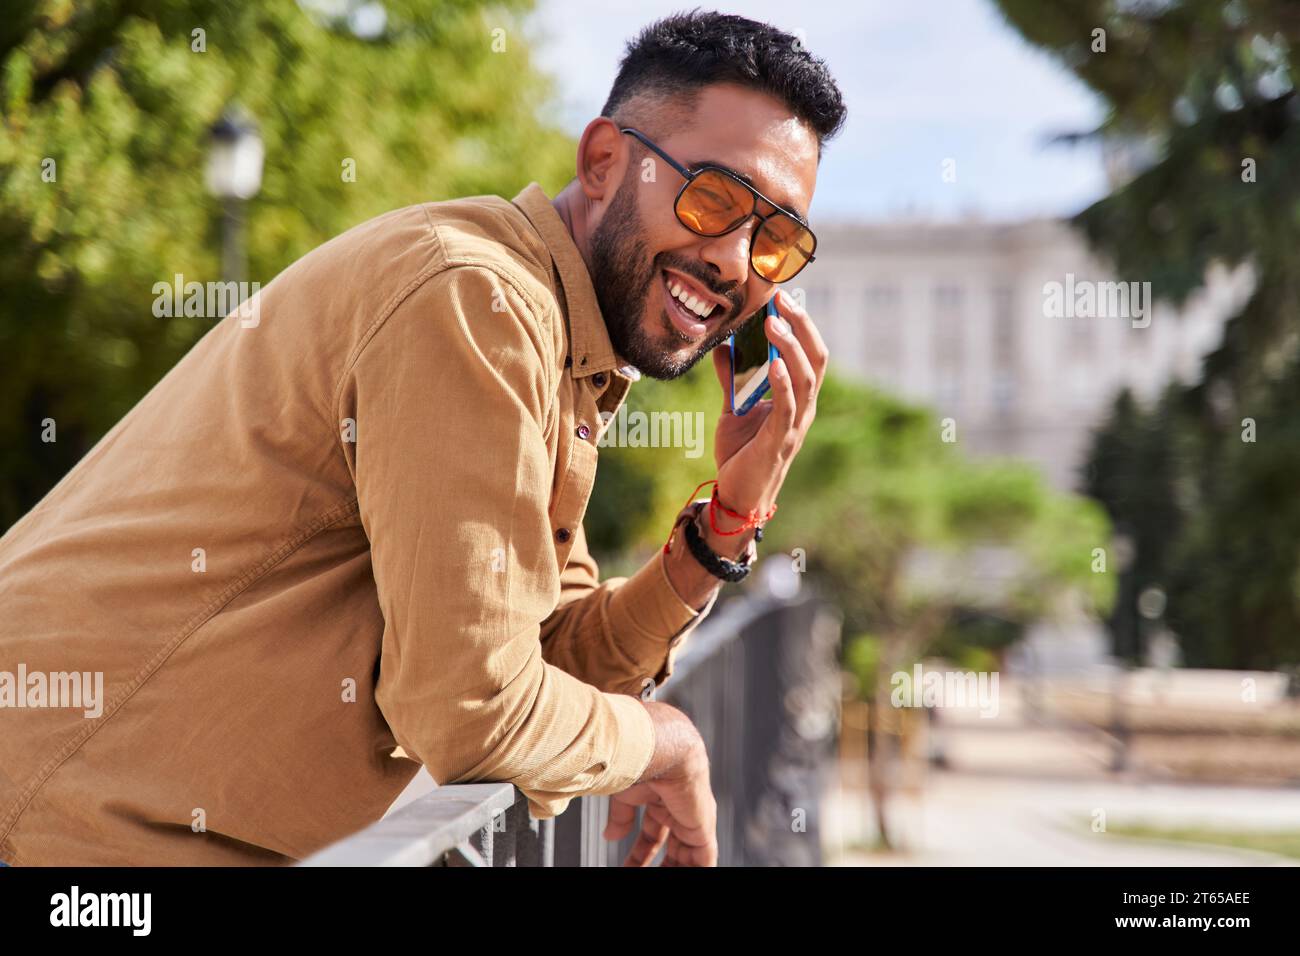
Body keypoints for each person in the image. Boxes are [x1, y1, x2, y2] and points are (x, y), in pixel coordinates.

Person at [0, 10, 844, 867]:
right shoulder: (473, 299)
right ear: (602, 162)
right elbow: (473, 710)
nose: (737, 262)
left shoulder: (559, 346)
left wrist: (728, 519)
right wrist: (664, 741)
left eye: (776, 242)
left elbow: (553, 664)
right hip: (54, 835)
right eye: (715, 200)